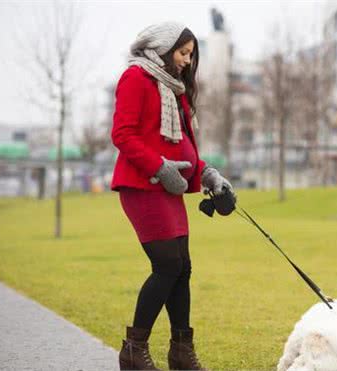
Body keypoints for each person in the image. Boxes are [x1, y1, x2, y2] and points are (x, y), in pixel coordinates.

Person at [110, 22, 235, 370]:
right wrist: (160, 167)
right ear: (163, 47)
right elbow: (123, 134)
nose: (186, 61)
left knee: (182, 267)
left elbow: (183, 147)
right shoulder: (136, 78)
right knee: (167, 265)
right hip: (143, 186)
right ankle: (134, 351)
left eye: (191, 54)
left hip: (170, 190)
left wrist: (208, 174)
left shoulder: (174, 88)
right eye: (183, 52)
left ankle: (181, 352)